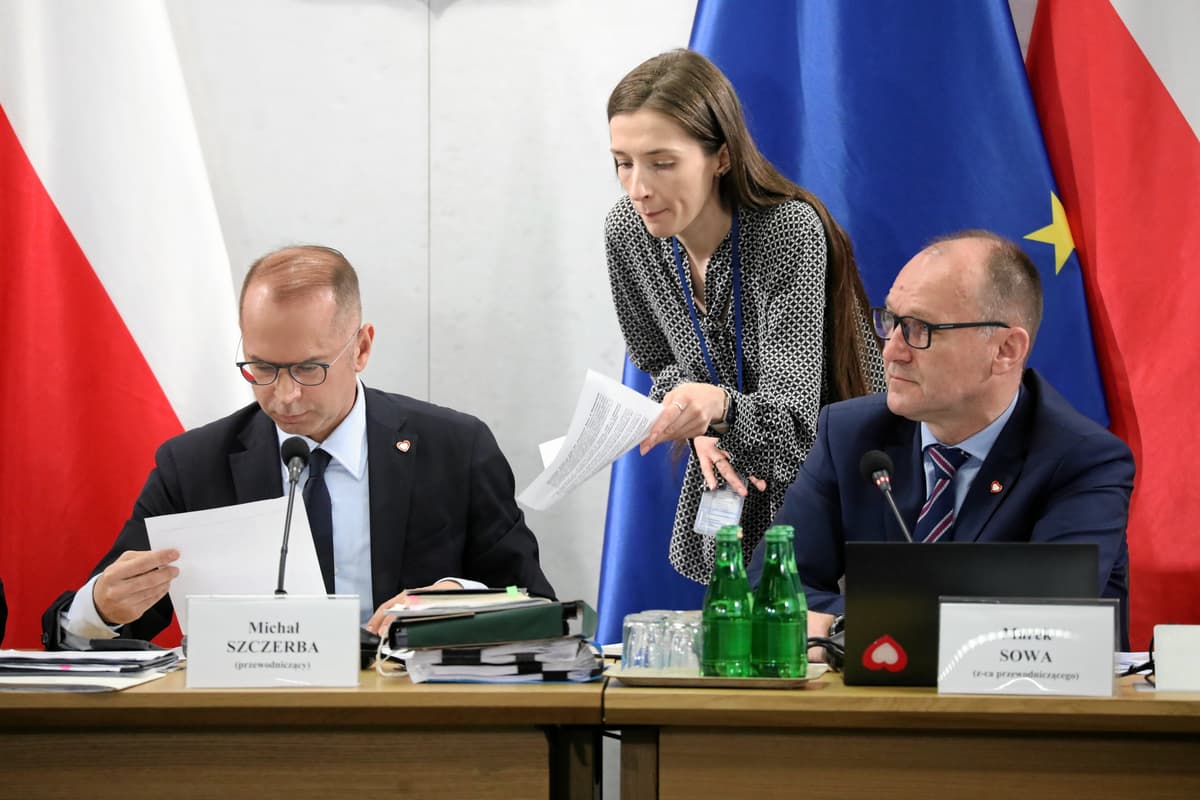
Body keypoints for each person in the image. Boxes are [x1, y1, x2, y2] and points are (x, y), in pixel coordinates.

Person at [43, 245, 554, 649]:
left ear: (361, 348)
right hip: (249, 728)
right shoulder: (194, 466)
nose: (284, 396)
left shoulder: (455, 449)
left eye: (309, 368)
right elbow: (96, 628)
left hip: (411, 721)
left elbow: (532, 600)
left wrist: (459, 600)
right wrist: (100, 609)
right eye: (262, 368)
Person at [763, 231, 1134, 651]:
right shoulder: (849, 435)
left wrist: (845, 627)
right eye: (891, 321)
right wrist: (860, 625)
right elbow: (769, 589)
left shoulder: (1083, 461)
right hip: (874, 689)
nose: (891, 351)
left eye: (919, 329)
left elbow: (1044, 625)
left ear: (1005, 350)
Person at [604, 49, 885, 582]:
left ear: (722, 158)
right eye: (623, 162)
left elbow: (795, 421)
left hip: (837, 481)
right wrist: (697, 422)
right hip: (734, 473)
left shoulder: (786, 230)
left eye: (662, 163)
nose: (639, 188)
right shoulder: (627, 231)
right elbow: (657, 359)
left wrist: (717, 406)